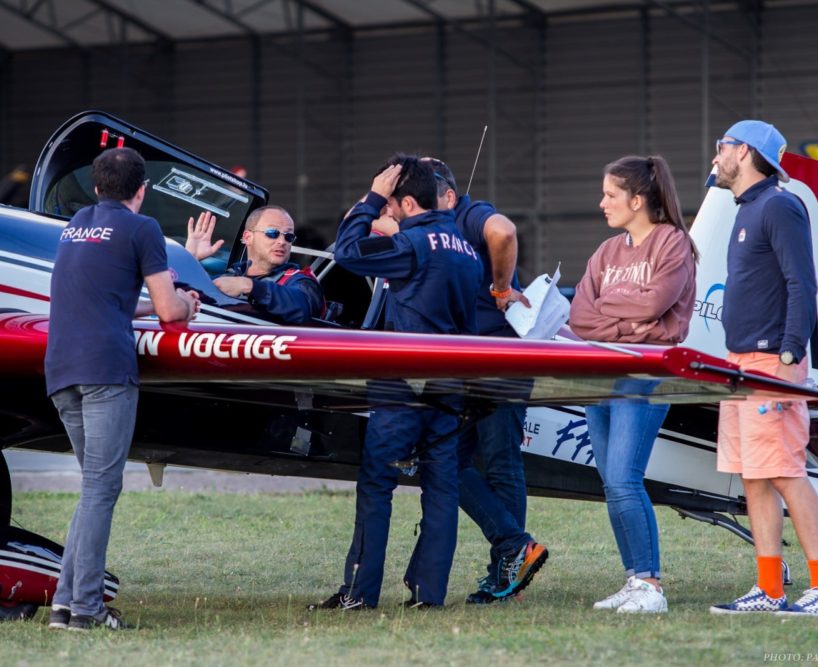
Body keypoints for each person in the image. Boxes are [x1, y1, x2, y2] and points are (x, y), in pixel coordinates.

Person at [311, 155, 481, 609]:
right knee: (441, 489)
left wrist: (369, 199)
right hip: (451, 386)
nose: (388, 211)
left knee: (376, 486)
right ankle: (429, 594)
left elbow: (345, 252)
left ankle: (359, 594)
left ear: (407, 201)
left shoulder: (412, 244)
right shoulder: (466, 247)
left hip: (402, 386)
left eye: (392, 203)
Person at [45, 147, 200, 631]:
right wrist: (187, 304)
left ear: (95, 188)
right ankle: (87, 609)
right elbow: (171, 310)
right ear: (142, 190)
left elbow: (109, 300)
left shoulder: (74, 228)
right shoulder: (143, 228)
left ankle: (64, 605)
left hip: (61, 370)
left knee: (92, 489)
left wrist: (159, 305)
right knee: (100, 491)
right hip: (105, 370)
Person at [708, 120, 818, 616]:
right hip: (740, 363)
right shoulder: (747, 207)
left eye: (721, 146)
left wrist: (789, 359)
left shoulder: (779, 205)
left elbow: (802, 285)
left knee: (785, 473)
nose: (716, 155)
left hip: (770, 363)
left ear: (743, 151)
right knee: (754, 477)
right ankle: (769, 588)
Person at [569, 155, 697, 614]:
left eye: (610, 194)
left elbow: (657, 304)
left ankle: (650, 585)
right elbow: (580, 317)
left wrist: (619, 314)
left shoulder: (673, 243)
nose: (602, 203)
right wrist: (632, 325)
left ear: (637, 200)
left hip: (643, 377)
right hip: (599, 375)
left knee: (624, 479)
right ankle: (632, 578)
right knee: (611, 482)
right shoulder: (605, 252)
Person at [415, 158, 547, 605]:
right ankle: (514, 550)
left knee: (500, 462)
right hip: (463, 367)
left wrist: (500, 287)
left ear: (448, 197)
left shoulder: (468, 214)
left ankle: (507, 572)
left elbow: (504, 232)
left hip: (499, 360)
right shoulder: (432, 226)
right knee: (440, 459)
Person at [185, 205, 324, 324]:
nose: (282, 241)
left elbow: (302, 309)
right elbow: (177, 300)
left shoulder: (301, 281)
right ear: (247, 237)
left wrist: (249, 286)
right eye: (272, 233)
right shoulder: (228, 277)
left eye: (289, 236)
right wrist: (190, 259)